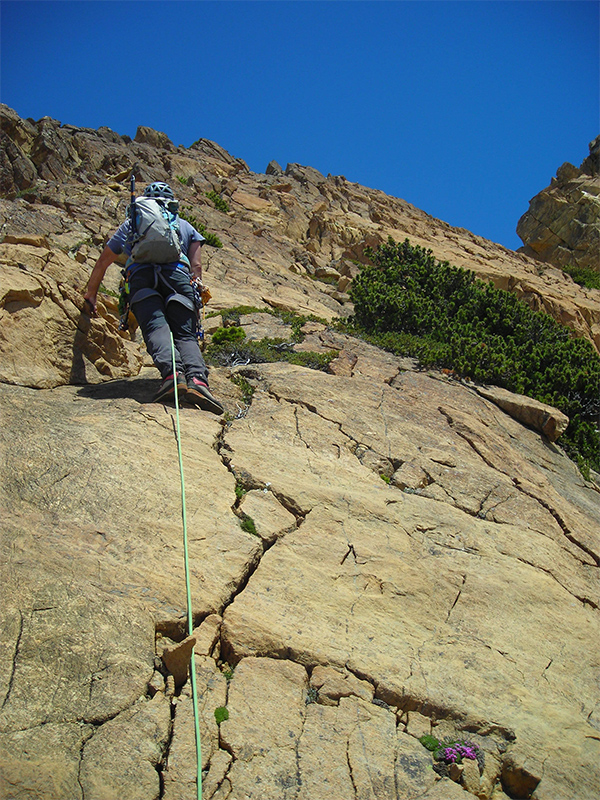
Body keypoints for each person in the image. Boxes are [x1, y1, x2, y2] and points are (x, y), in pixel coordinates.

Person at [83, 181, 223, 414]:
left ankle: (172, 375)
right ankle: (197, 381)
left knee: (155, 325)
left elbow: (104, 260)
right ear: (172, 203)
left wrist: (91, 295)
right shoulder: (186, 226)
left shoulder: (133, 223)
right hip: (177, 277)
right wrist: (196, 290)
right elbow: (196, 265)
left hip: (141, 277)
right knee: (185, 334)